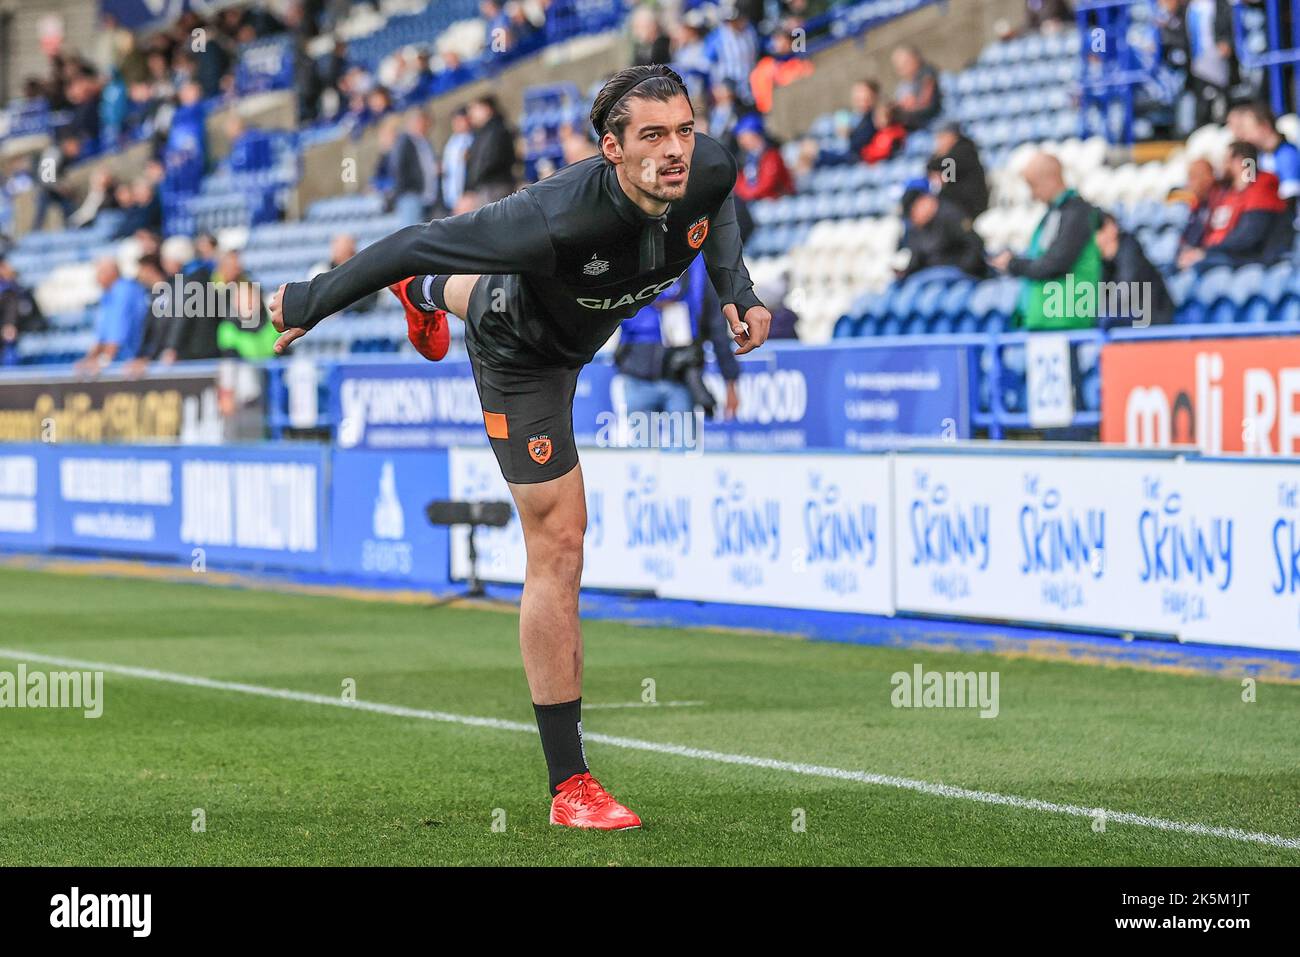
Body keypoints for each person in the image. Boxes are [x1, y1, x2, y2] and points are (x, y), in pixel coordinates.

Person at [269, 65, 771, 830]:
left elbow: (720, 209)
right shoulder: (549, 215)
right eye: (652, 136)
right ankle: (571, 786)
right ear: (611, 148)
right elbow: (414, 238)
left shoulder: (705, 165)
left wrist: (738, 289)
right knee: (561, 541)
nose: (676, 150)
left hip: (568, 329)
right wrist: (311, 298)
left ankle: (431, 296)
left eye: (683, 129)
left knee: (486, 291)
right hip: (520, 360)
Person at [989, 152, 1101, 330]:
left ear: (1050, 179)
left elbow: (1056, 262)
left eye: (1033, 185)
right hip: (1048, 318)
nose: (1033, 195)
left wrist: (1014, 265)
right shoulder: (1056, 214)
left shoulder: (1075, 213)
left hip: (1063, 319)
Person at [1177, 141, 1292, 270]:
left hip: (1248, 259)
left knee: (1198, 265)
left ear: (1239, 162)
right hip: (1222, 253)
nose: (1222, 166)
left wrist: (1206, 252)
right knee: (1174, 265)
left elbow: (1247, 237)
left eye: (1226, 160)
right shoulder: (1224, 192)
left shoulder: (1261, 188)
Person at [1094, 213, 1174, 328]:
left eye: (1099, 229)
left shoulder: (1130, 250)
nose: (1096, 237)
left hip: (1154, 319)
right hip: (1134, 318)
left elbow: (1126, 288)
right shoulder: (1104, 262)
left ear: (1112, 228)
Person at [75, 257, 148, 374]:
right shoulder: (107, 295)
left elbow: (118, 334)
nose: (96, 278)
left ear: (111, 273)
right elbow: (101, 337)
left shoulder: (124, 291)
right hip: (118, 361)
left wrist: (103, 361)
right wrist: (88, 360)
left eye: (99, 273)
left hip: (130, 361)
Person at [899, 187, 988, 279]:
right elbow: (916, 259)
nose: (913, 219)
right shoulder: (916, 228)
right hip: (933, 277)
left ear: (923, 202)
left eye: (913, 212)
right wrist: (905, 274)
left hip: (963, 275)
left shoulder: (950, 215)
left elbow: (975, 244)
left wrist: (962, 269)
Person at [458, 95, 516, 212]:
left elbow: (487, 162)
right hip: (487, 188)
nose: (470, 114)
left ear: (486, 108)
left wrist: (471, 189)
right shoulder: (483, 132)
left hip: (493, 188)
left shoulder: (496, 131)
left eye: (474, 109)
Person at [928, 121, 989, 220]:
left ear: (952, 136)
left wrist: (936, 162)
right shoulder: (951, 155)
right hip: (958, 207)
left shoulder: (965, 150)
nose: (939, 142)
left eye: (942, 137)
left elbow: (946, 168)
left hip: (970, 208)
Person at [389, 108, 440, 224]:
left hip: (427, 195)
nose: (427, 126)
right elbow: (398, 168)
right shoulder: (404, 141)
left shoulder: (424, 141)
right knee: (411, 232)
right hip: (411, 195)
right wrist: (407, 189)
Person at [732, 114, 794, 201]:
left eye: (743, 136)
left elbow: (767, 184)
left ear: (754, 135)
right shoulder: (746, 156)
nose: (741, 141)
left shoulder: (771, 154)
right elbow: (739, 181)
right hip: (756, 200)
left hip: (777, 200)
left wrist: (747, 194)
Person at [891, 45, 941, 130]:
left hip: (937, 124)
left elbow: (926, 104)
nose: (904, 68)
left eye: (907, 62)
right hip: (917, 129)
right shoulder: (901, 89)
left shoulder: (929, 75)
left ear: (917, 58)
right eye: (900, 66)